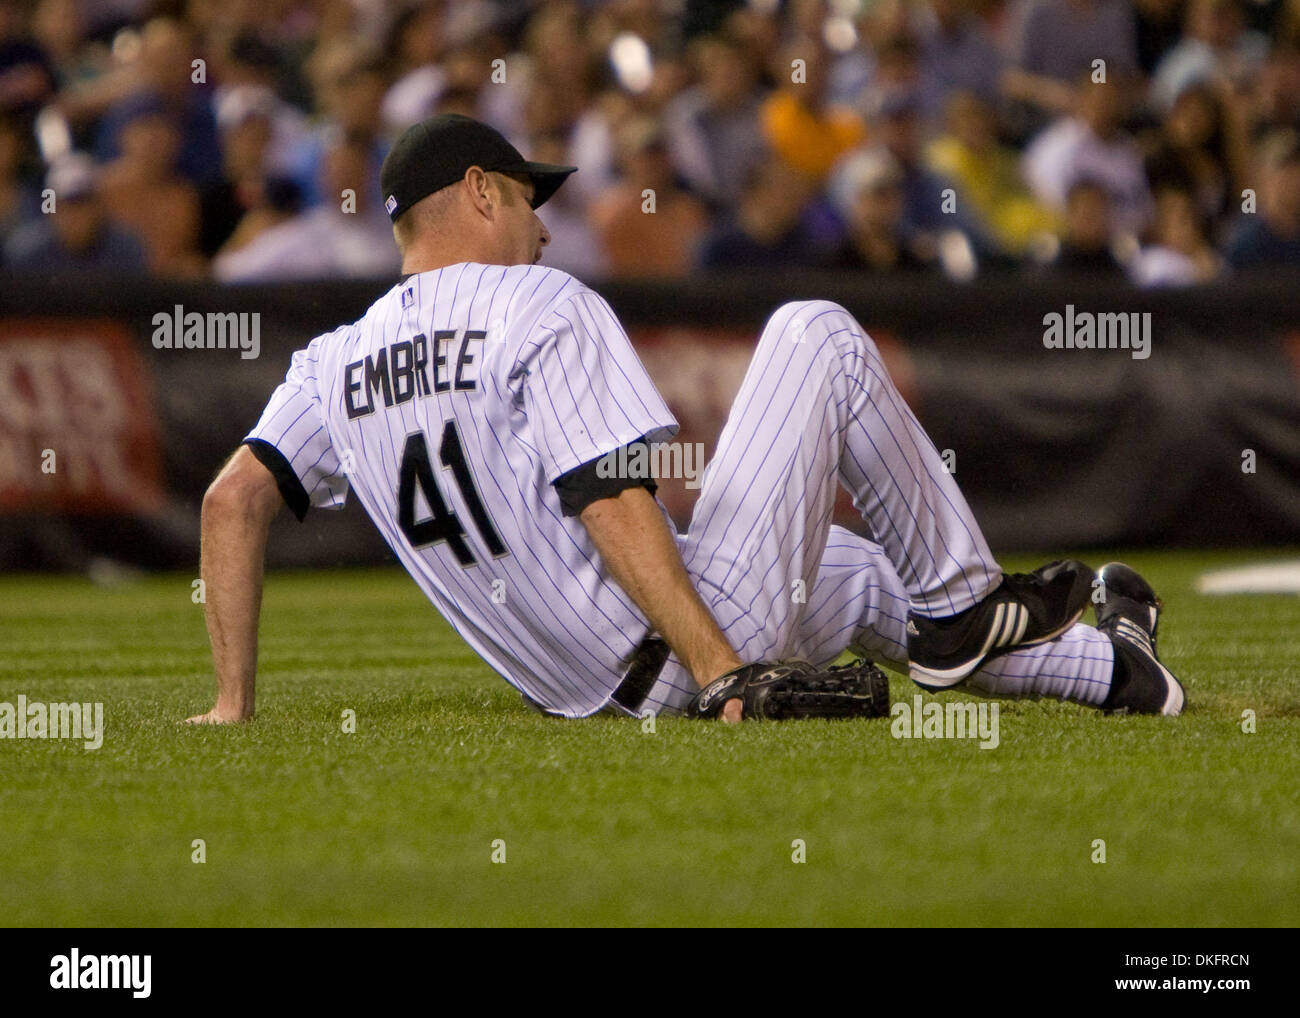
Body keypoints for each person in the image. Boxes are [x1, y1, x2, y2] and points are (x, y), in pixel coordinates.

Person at [188, 114, 1184, 726]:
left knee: (857, 574)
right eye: (531, 200)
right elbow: (608, 496)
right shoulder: (538, 303)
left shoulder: (331, 363)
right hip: (680, 657)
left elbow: (230, 503)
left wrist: (234, 705)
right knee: (817, 332)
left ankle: (1119, 673)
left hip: (571, 682)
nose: (543, 226)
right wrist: (723, 673)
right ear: (481, 193)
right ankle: (964, 605)